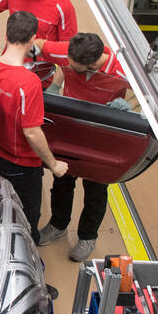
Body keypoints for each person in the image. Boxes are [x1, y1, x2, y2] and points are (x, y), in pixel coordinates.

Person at [0, 11, 70, 253]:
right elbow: (32, 131)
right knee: (26, 220)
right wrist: (54, 164)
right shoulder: (29, 82)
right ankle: (28, 267)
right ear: (32, 39)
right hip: (23, 166)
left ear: (6, 34)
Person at [33, 32, 134, 261]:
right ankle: (58, 225)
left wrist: (127, 104)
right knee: (61, 181)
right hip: (71, 127)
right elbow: (38, 46)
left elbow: (150, 95)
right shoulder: (69, 52)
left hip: (101, 135)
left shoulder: (120, 68)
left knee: (96, 190)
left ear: (90, 65)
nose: (69, 66)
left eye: (74, 67)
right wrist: (55, 86)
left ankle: (87, 236)